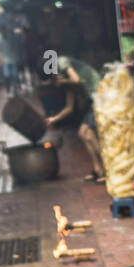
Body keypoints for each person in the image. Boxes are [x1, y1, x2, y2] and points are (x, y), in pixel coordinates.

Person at [46, 54, 104, 182]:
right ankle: (98, 169)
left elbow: (76, 79)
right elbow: (69, 108)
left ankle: (108, 169)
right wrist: (53, 119)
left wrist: (61, 81)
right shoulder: (67, 84)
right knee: (82, 133)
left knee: (88, 134)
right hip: (92, 100)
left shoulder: (62, 61)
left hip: (99, 95)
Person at [0, 21, 21, 97]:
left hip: (13, 59)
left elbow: (15, 46)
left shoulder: (10, 36)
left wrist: (18, 56)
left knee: (14, 75)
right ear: (0, 30)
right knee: (7, 75)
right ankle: (8, 88)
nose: (4, 31)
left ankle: (15, 90)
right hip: (4, 60)